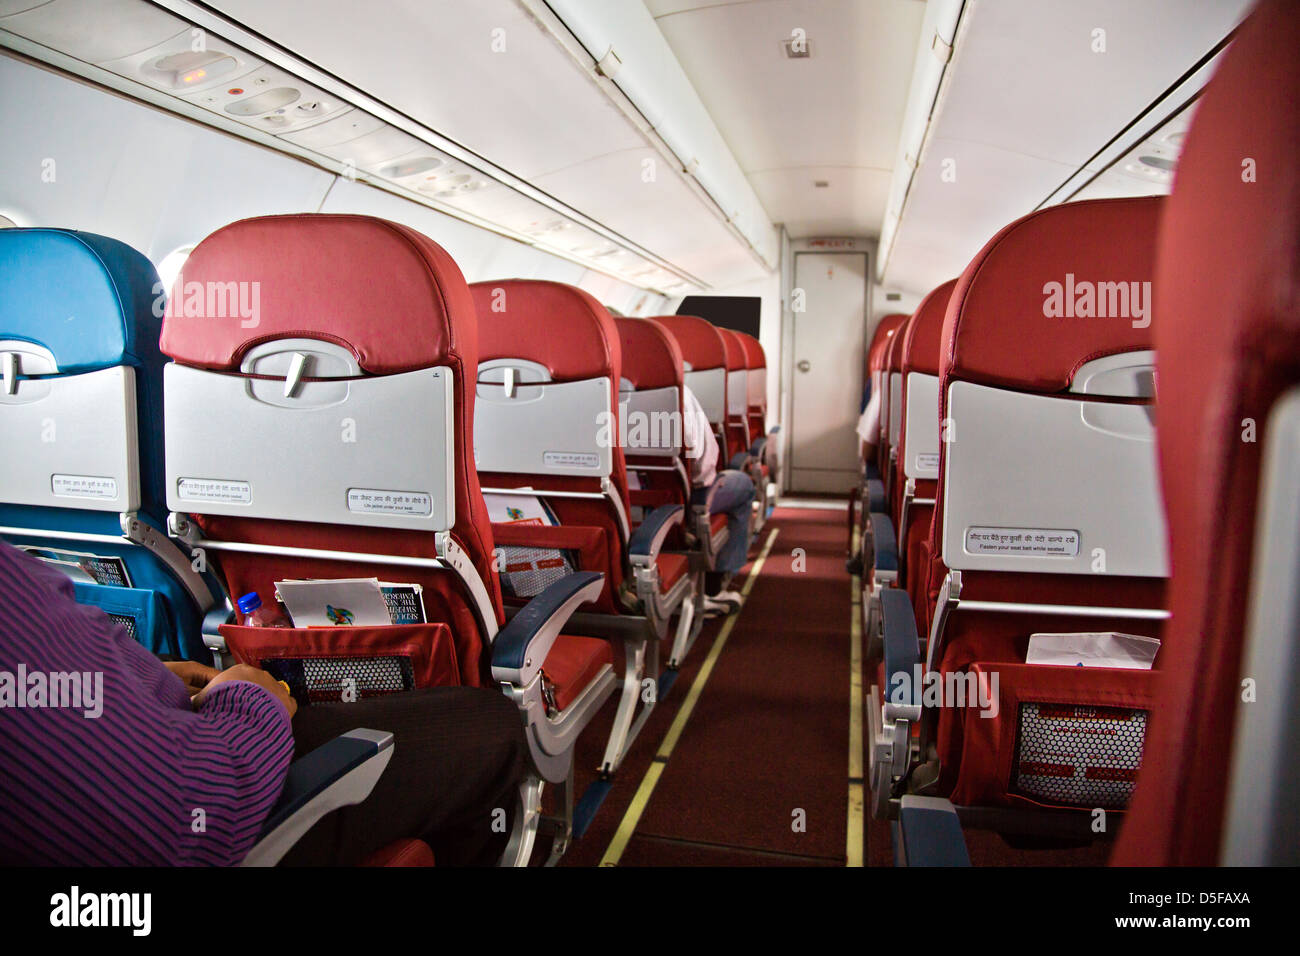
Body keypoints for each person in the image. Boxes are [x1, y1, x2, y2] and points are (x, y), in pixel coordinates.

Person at [0, 542, 526, 866]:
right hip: (223, 790)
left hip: (152, 723)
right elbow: (176, 815)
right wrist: (252, 699)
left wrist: (138, 673)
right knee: (492, 724)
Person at [681, 385, 754, 616]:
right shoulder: (677, 392)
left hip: (624, 510)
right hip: (686, 504)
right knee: (743, 484)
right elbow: (704, 468)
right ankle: (715, 584)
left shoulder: (601, 392)